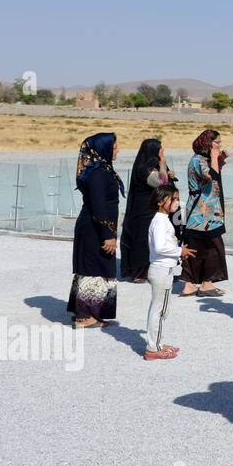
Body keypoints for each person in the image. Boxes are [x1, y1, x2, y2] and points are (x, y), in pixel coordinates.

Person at [67, 133, 124, 329]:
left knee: (99, 269)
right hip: (94, 229)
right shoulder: (98, 173)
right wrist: (107, 235)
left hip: (99, 227)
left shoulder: (103, 169)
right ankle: (84, 317)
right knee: (92, 269)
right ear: (104, 149)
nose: (118, 150)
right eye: (115, 147)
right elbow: (98, 206)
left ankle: (92, 313)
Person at [145, 185, 195, 361]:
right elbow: (159, 246)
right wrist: (179, 251)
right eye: (172, 199)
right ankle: (153, 348)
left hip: (162, 269)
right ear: (160, 202)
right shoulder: (160, 221)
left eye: (176, 199)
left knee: (161, 309)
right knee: (159, 310)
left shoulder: (163, 219)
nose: (175, 203)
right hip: (161, 270)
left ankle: (157, 342)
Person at [179, 129, 229, 298]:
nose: (219, 145)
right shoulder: (199, 161)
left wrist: (219, 160)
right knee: (212, 247)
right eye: (217, 143)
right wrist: (215, 158)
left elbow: (215, 174)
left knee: (195, 247)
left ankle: (189, 284)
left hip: (202, 213)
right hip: (204, 214)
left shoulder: (200, 160)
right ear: (209, 143)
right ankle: (206, 283)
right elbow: (212, 176)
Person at [120, 138, 174, 282]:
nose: (162, 152)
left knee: (153, 239)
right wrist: (163, 163)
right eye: (160, 149)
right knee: (142, 240)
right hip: (143, 210)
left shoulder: (152, 167)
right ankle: (139, 272)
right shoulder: (143, 169)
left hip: (150, 209)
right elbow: (161, 184)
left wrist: (168, 173)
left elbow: (165, 179)